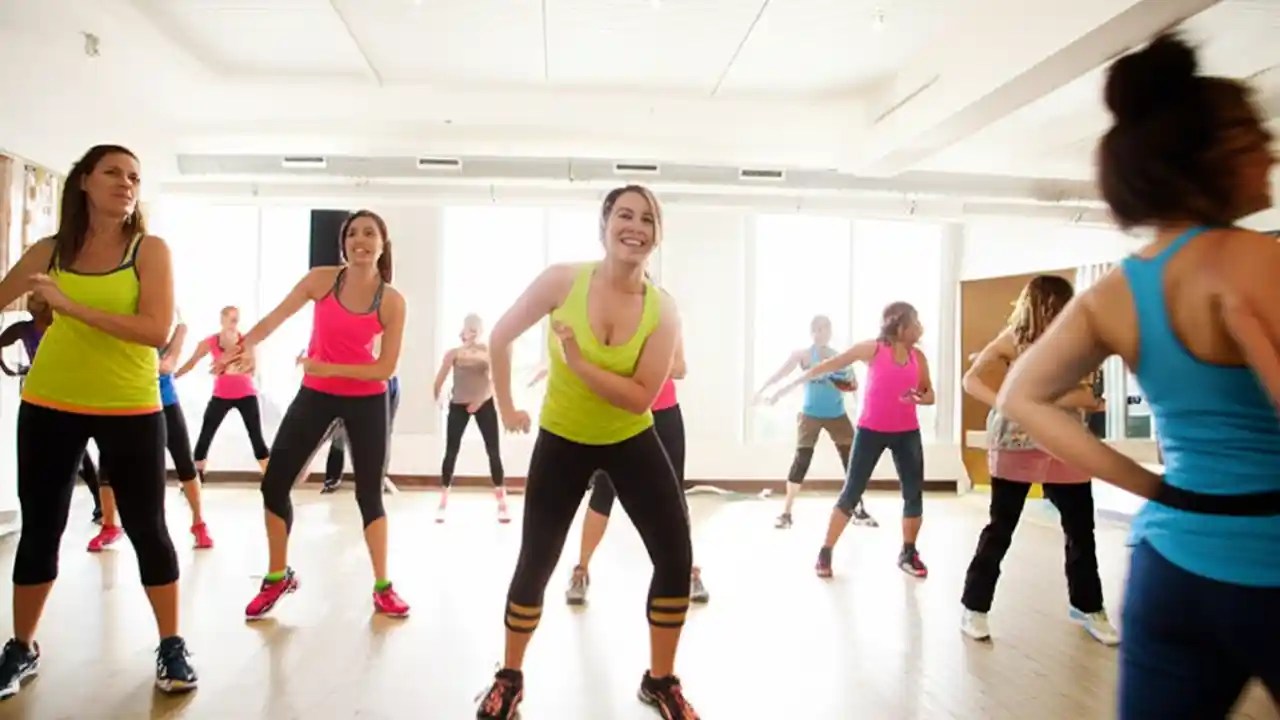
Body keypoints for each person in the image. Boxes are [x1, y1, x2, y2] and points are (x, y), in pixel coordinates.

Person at [996, 34, 1280, 719]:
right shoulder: (1256, 261)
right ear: (1206, 154)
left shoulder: (1118, 291)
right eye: (1253, 135)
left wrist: (1149, 485)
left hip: (1170, 569)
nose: (1270, 150)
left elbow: (1019, 397)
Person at [474, 185, 698, 719]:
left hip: (630, 438)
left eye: (647, 219)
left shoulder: (663, 311)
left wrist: (577, 362)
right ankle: (510, 678)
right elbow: (500, 336)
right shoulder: (563, 280)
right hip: (563, 439)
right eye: (624, 214)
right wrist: (506, 407)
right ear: (604, 225)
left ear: (656, 235)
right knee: (537, 560)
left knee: (675, 553)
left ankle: (660, 681)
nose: (636, 226)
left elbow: (643, 395)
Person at [0, 144, 197, 698]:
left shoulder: (149, 249)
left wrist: (69, 305)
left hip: (130, 407)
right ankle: (21, 647)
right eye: (112, 172)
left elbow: (156, 329)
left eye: (135, 175)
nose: (126, 182)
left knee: (148, 530)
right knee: (41, 529)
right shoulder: (49, 250)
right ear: (83, 181)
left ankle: (171, 646)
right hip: (49, 402)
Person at [235, 209, 409, 621]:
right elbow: (275, 317)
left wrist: (328, 367)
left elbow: (385, 369)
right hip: (316, 395)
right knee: (274, 484)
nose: (360, 240)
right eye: (353, 234)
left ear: (383, 245)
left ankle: (383, 586)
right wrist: (246, 345)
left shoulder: (392, 300)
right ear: (344, 242)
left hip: (368, 399)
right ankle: (277, 576)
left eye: (370, 233)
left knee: (369, 494)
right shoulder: (321, 280)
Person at [959, 275, 1117, 645]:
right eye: (1053, 305)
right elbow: (971, 380)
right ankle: (974, 607)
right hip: (1016, 444)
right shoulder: (1013, 339)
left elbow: (1088, 397)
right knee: (1001, 529)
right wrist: (1007, 401)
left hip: (1065, 443)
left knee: (1081, 530)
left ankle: (1088, 606)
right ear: (1039, 305)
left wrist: (1041, 398)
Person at [565, 290, 709, 606]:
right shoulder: (609, 323)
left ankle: (686, 570)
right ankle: (581, 570)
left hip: (665, 414)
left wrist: (650, 360)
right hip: (620, 414)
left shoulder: (667, 321)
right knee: (604, 492)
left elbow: (681, 367)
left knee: (673, 495)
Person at [772, 302, 934, 579]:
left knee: (913, 493)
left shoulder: (918, 357)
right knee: (852, 491)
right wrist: (789, 385)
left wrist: (918, 397)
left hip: (907, 432)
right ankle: (825, 551)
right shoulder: (872, 349)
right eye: (915, 321)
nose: (920, 327)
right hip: (871, 431)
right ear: (900, 325)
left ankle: (908, 552)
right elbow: (831, 364)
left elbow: (929, 394)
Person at [89, 317, 213, 551]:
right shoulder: (122, 322)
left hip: (163, 402)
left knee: (184, 462)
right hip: (121, 401)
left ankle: (199, 524)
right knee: (106, 465)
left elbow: (168, 364)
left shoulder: (163, 323)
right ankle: (109, 526)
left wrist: (175, 342)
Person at [753, 315, 877, 529]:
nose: (821, 334)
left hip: (837, 414)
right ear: (811, 333)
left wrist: (855, 400)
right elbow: (783, 374)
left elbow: (853, 385)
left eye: (825, 329)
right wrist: (764, 391)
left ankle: (858, 509)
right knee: (801, 460)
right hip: (810, 415)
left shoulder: (839, 356)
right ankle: (786, 513)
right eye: (817, 330)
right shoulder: (802, 355)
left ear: (830, 332)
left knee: (852, 461)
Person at [0, 293, 102, 523]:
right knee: (57, 452)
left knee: (76, 453)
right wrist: (10, 369)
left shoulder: (55, 328)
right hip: (41, 396)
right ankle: (87, 504)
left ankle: (97, 502)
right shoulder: (24, 329)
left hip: (63, 395)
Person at [173, 306, 270, 476]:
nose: (234, 323)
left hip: (246, 395)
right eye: (231, 319)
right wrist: (173, 376)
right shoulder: (210, 342)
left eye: (236, 319)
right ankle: (195, 477)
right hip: (221, 396)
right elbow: (192, 362)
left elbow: (252, 369)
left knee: (256, 437)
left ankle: (270, 477)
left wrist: (226, 363)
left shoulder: (246, 341)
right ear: (222, 320)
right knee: (206, 435)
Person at [431, 313, 508, 523]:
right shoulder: (454, 353)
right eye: (468, 328)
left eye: (476, 329)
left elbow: (495, 380)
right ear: (463, 331)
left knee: (493, 451)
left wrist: (480, 400)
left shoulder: (487, 352)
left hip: (484, 404)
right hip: (458, 405)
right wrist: (437, 398)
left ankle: (502, 502)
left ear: (481, 331)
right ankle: (443, 500)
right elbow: (439, 380)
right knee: (451, 451)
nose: (472, 332)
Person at [320, 374, 401, 495]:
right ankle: (333, 477)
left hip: (387, 380)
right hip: (356, 380)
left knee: (383, 433)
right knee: (340, 429)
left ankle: (379, 477)